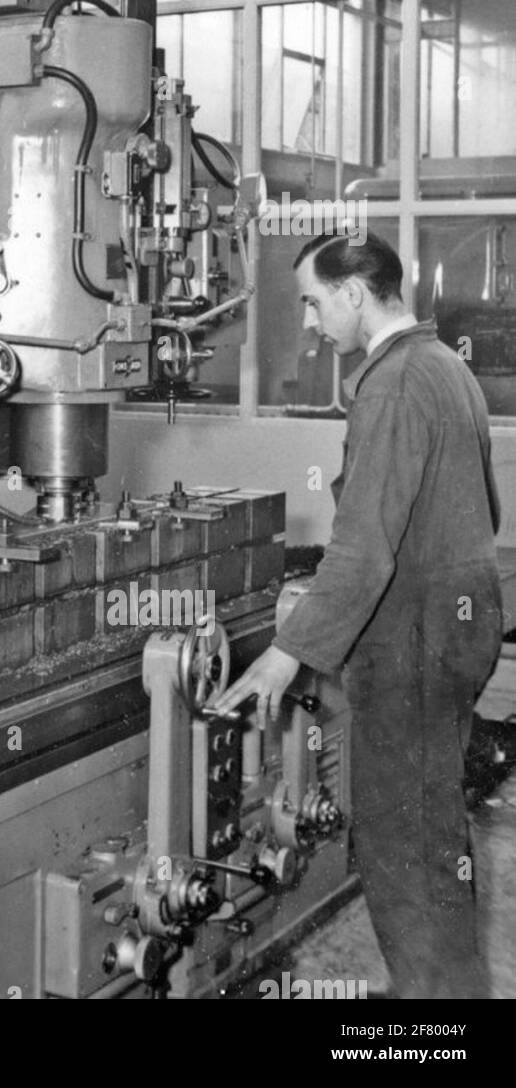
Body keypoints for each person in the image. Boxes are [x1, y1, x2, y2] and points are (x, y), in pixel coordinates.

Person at [215, 230, 503, 1000]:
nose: (310, 322)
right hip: (454, 624)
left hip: (415, 638)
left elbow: (365, 550)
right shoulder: (448, 367)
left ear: (353, 292)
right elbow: (485, 511)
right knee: (432, 832)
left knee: (405, 842)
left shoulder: (394, 383)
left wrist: (286, 651)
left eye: (312, 302)